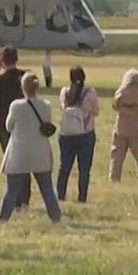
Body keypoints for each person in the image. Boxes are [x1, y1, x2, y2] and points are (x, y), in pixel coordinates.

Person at [0, 73, 60, 223]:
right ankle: (55, 216)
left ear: (22, 87)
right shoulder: (45, 105)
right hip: (40, 151)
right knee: (47, 189)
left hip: (20, 151)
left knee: (12, 189)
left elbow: (8, 126)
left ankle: (3, 218)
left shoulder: (16, 105)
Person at [55, 66, 99, 205]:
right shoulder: (90, 93)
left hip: (67, 134)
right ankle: (82, 197)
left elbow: (63, 108)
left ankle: (60, 195)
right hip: (86, 133)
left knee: (64, 167)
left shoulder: (65, 92)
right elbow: (96, 111)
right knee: (84, 169)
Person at [110, 69, 138, 183]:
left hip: (121, 127)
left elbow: (115, 106)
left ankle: (114, 178)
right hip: (137, 127)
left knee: (117, 155)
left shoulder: (120, 92)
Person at [0, 45, 25, 152]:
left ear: (2, 60)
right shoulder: (24, 76)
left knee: (7, 152)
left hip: (3, 120)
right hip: (21, 118)